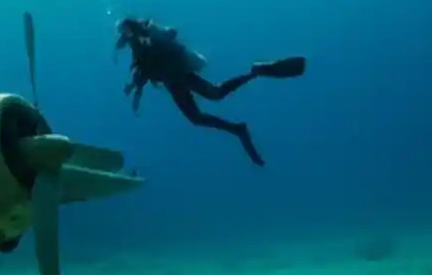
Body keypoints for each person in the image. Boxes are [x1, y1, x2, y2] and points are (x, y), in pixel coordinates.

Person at [115, 17, 305, 167]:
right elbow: (143, 72)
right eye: (122, 34)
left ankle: (255, 73)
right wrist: (134, 90)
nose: (123, 37)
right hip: (173, 83)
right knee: (198, 117)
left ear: (130, 28)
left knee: (216, 94)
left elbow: (169, 37)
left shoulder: (147, 36)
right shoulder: (137, 47)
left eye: (124, 31)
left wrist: (154, 36)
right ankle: (237, 129)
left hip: (180, 76)